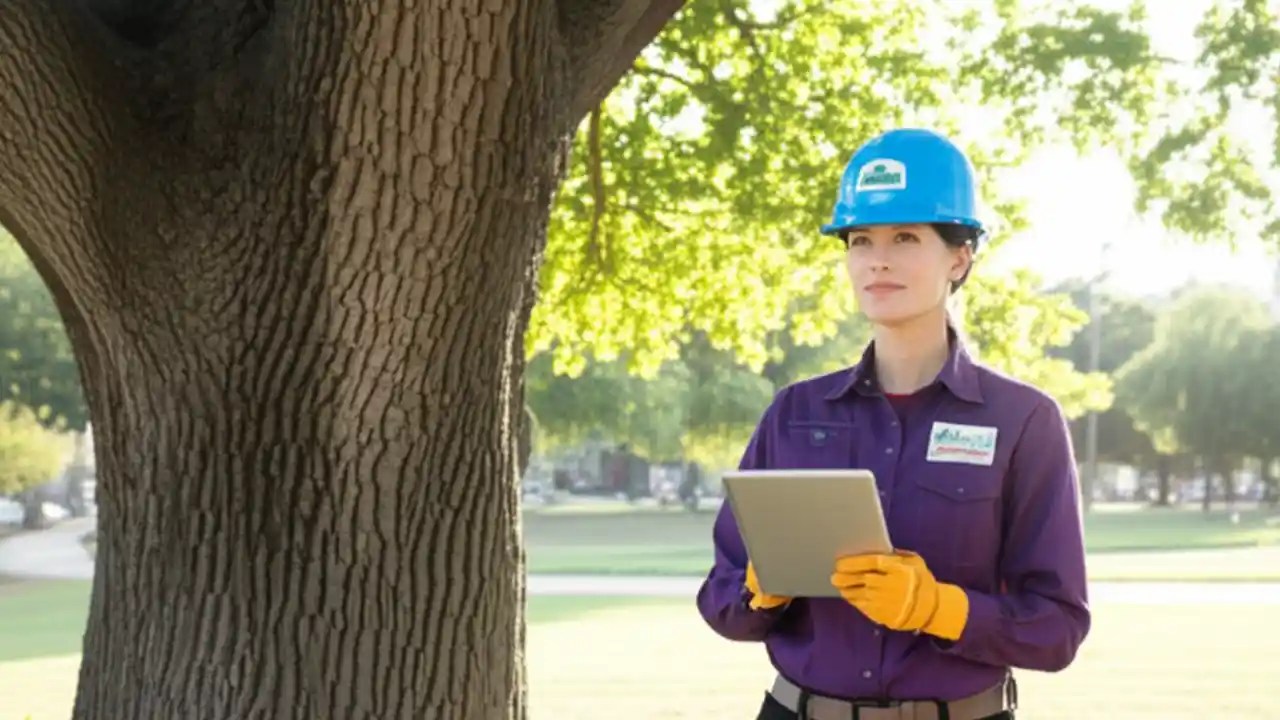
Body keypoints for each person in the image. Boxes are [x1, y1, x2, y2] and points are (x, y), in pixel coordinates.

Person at [695, 128, 1089, 720]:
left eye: (906, 237)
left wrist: (939, 608)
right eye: (861, 239)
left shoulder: (1024, 421)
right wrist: (760, 591)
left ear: (960, 257)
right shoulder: (795, 414)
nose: (878, 258)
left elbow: (1057, 628)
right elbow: (721, 598)